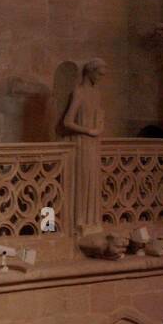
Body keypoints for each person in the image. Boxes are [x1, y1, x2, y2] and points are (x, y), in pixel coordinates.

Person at [61, 58, 108, 235]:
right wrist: (89, 130)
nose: (100, 78)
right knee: (83, 181)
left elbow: (100, 116)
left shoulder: (97, 93)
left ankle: (92, 220)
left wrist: (100, 126)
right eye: (98, 74)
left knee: (93, 181)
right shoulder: (79, 92)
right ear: (90, 71)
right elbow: (67, 122)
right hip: (82, 142)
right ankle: (81, 221)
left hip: (94, 144)